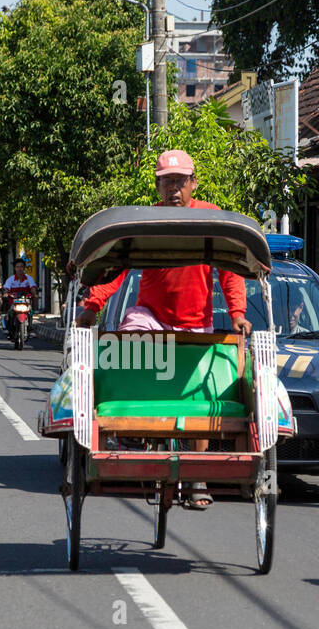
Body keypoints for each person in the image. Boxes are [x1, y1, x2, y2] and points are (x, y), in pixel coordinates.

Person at [74, 149, 253, 508]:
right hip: (150, 314)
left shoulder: (211, 218)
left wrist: (237, 314)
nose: (173, 189)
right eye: (166, 182)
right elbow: (117, 270)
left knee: (203, 394)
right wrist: (92, 306)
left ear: (193, 183)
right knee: (124, 339)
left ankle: (198, 475)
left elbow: (230, 274)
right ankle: (118, 429)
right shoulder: (145, 220)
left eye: (180, 182)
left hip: (195, 323)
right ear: (157, 185)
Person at [2, 258, 37, 336]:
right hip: (14, 303)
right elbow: (6, 289)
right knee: (9, 313)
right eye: (17, 267)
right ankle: (9, 328)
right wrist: (6, 293)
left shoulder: (29, 278)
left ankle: (30, 328)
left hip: (26, 302)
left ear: (24, 268)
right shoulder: (10, 279)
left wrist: (34, 294)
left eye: (21, 267)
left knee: (30, 311)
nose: (19, 269)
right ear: (15, 268)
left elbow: (33, 288)